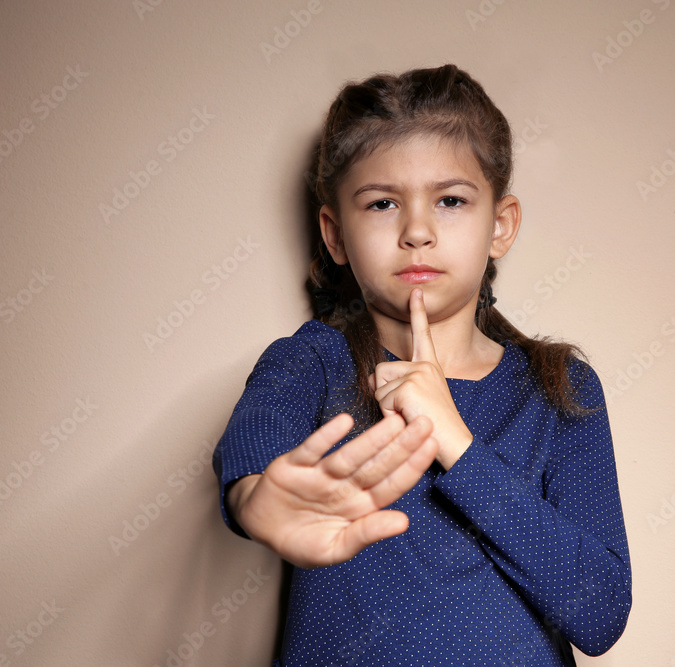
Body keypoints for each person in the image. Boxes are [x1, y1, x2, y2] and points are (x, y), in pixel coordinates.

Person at [213, 63, 631, 666]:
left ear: (501, 225)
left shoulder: (559, 389)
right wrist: (257, 505)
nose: (417, 231)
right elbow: (253, 459)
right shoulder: (312, 363)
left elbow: (601, 612)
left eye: (451, 200)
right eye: (382, 203)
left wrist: (453, 439)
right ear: (334, 235)